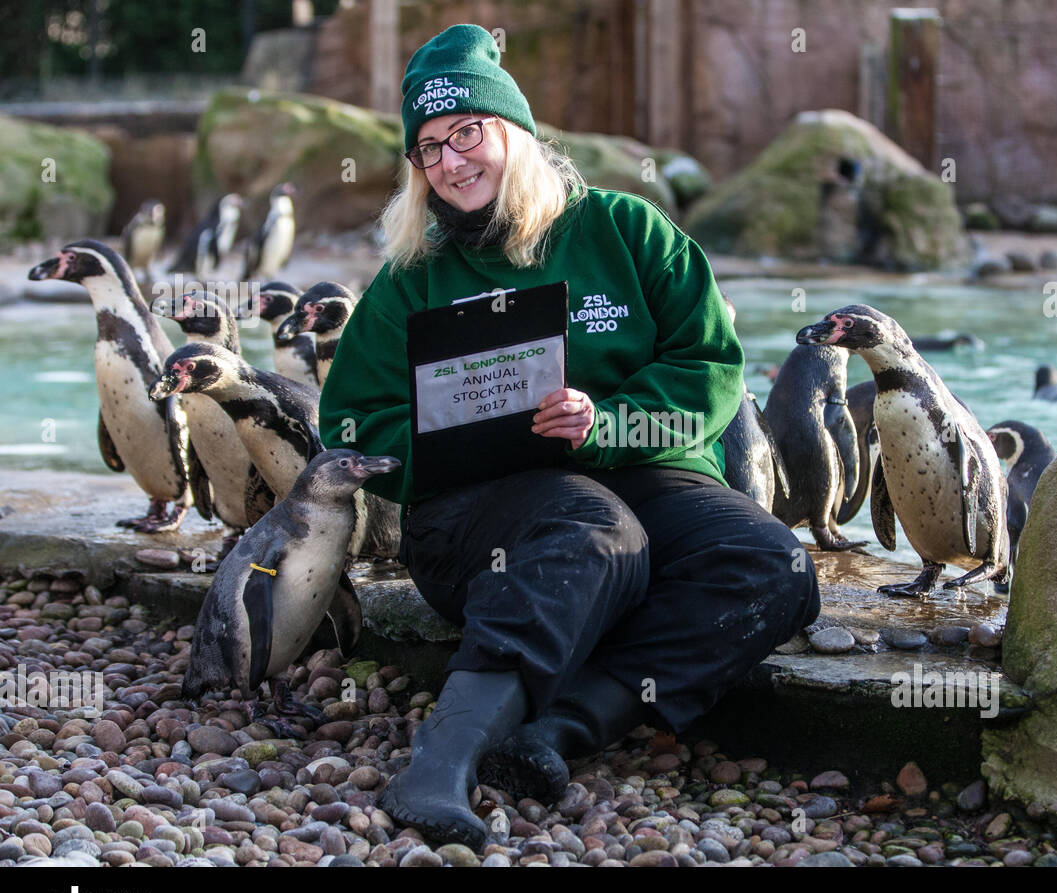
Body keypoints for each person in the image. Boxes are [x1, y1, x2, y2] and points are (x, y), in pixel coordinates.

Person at [319, 23, 821, 850]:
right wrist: (445, 434)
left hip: (642, 474)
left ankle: (558, 734)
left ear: (512, 133)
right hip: (477, 517)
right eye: (428, 148)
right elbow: (348, 423)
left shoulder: (629, 231)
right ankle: (441, 764)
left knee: (774, 562)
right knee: (591, 527)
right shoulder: (411, 282)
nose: (450, 162)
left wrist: (609, 421)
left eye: (466, 133)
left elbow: (710, 368)